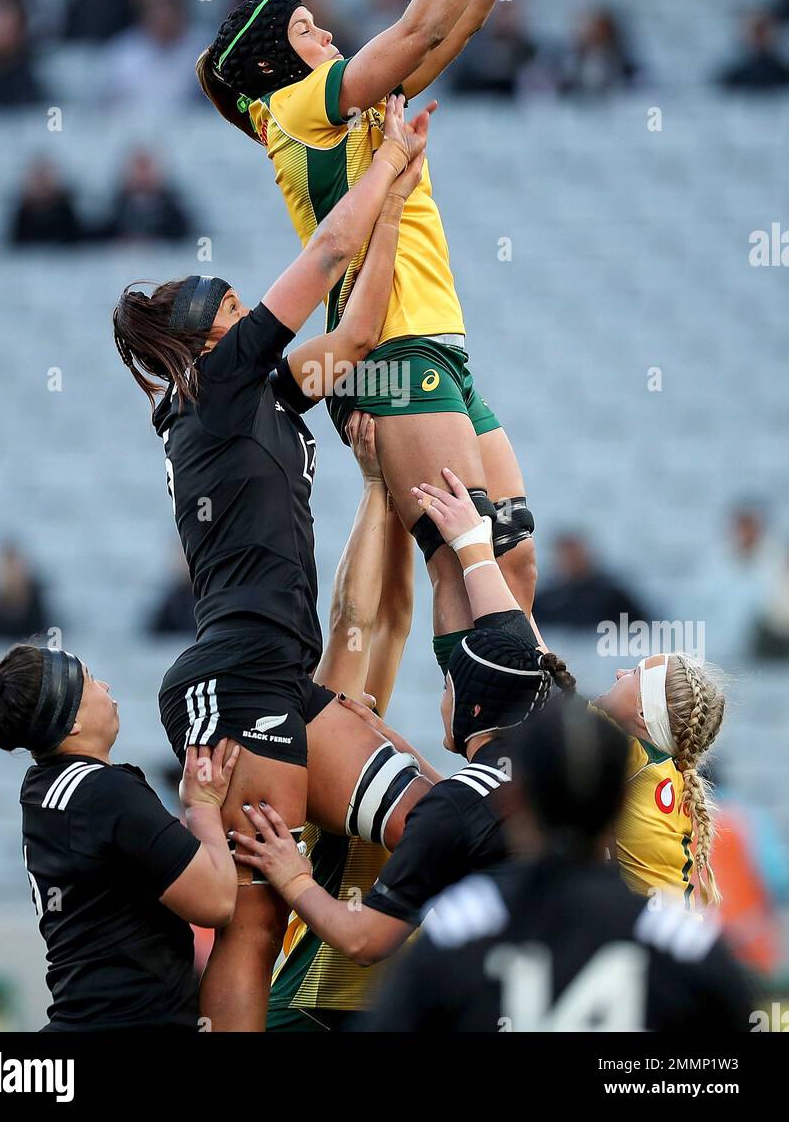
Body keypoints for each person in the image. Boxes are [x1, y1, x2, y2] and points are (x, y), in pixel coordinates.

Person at [112, 95, 439, 1031]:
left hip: (279, 675)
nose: (253, 306)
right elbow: (325, 255)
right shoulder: (216, 384)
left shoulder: (253, 393)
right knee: (253, 924)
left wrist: (398, 203)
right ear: (211, 334)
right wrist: (383, 165)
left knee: (431, 821)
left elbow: (361, 333)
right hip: (236, 673)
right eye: (234, 303)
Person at [196, 0, 545, 681]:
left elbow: (444, 37)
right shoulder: (296, 106)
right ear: (277, 63)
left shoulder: (339, 112)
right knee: (464, 562)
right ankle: (488, 749)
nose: (329, 37)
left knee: (512, 561)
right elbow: (417, 25)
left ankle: (503, 723)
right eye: (310, 30)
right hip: (388, 350)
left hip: (434, 342)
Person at [232, 468, 574, 968]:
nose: (442, 699)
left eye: (447, 686)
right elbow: (519, 656)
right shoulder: (552, 770)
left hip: (322, 990)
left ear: (472, 708)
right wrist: (471, 547)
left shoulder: (448, 804)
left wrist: (292, 876)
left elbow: (361, 621)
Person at [366, 700, 751, 1033]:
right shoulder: (687, 951)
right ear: (622, 803)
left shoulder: (456, 935)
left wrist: (301, 878)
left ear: (514, 799)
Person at [0, 643, 239, 1031]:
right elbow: (217, 901)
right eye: (90, 681)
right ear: (72, 724)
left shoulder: (40, 788)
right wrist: (201, 805)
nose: (105, 685)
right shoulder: (104, 794)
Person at [267, 412, 417, 1031]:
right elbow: (352, 618)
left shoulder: (354, 723)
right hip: (316, 997)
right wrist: (377, 486)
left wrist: (409, 498)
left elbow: (395, 616)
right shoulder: (319, 728)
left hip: (357, 997)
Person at [591, 652, 726, 907]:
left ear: (643, 712)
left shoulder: (631, 756)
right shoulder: (664, 770)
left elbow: (542, 681)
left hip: (649, 935)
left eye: (634, 673)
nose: (619, 672)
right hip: (675, 932)